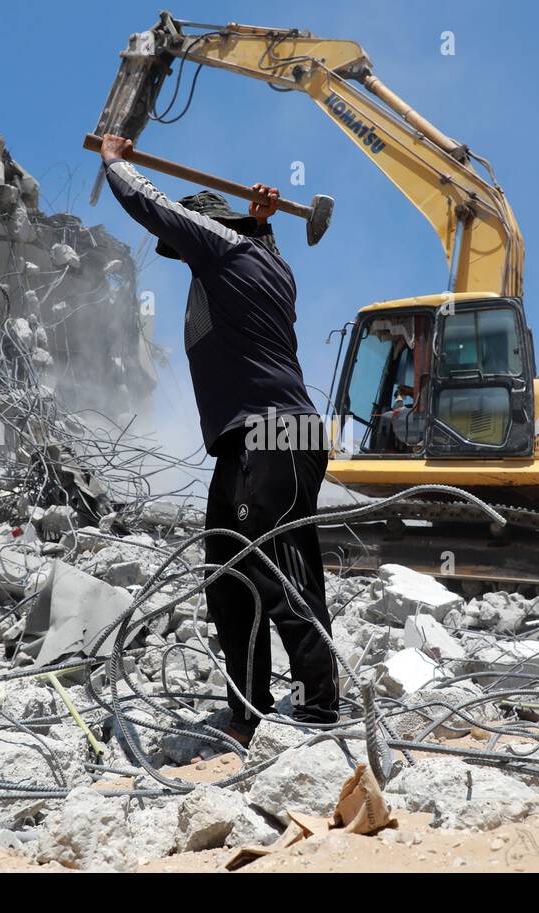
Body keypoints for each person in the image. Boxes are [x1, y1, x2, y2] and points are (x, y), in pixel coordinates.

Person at [100, 133, 339, 745]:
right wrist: (264, 222)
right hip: (255, 437)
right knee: (230, 573)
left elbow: (154, 207)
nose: (177, 254)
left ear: (208, 229)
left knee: (272, 571)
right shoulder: (262, 256)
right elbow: (249, 243)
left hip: (274, 433)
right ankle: (248, 710)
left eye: (183, 245)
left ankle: (319, 712)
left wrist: (117, 161)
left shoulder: (223, 249)